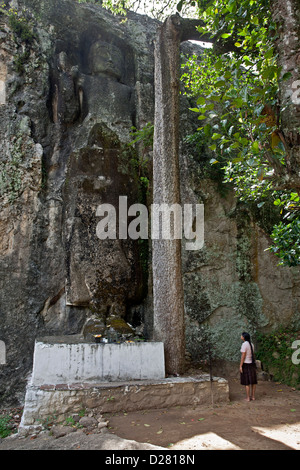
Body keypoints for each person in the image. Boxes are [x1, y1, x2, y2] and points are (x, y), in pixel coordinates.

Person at [240, 332, 257, 401]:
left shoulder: (244, 344)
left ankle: (248, 397)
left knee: (247, 382)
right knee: (253, 381)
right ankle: (253, 396)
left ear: (244, 337)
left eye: (241, 335)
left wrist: (241, 365)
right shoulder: (251, 344)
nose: (241, 336)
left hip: (246, 364)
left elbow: (243, 355)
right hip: (252, 364)